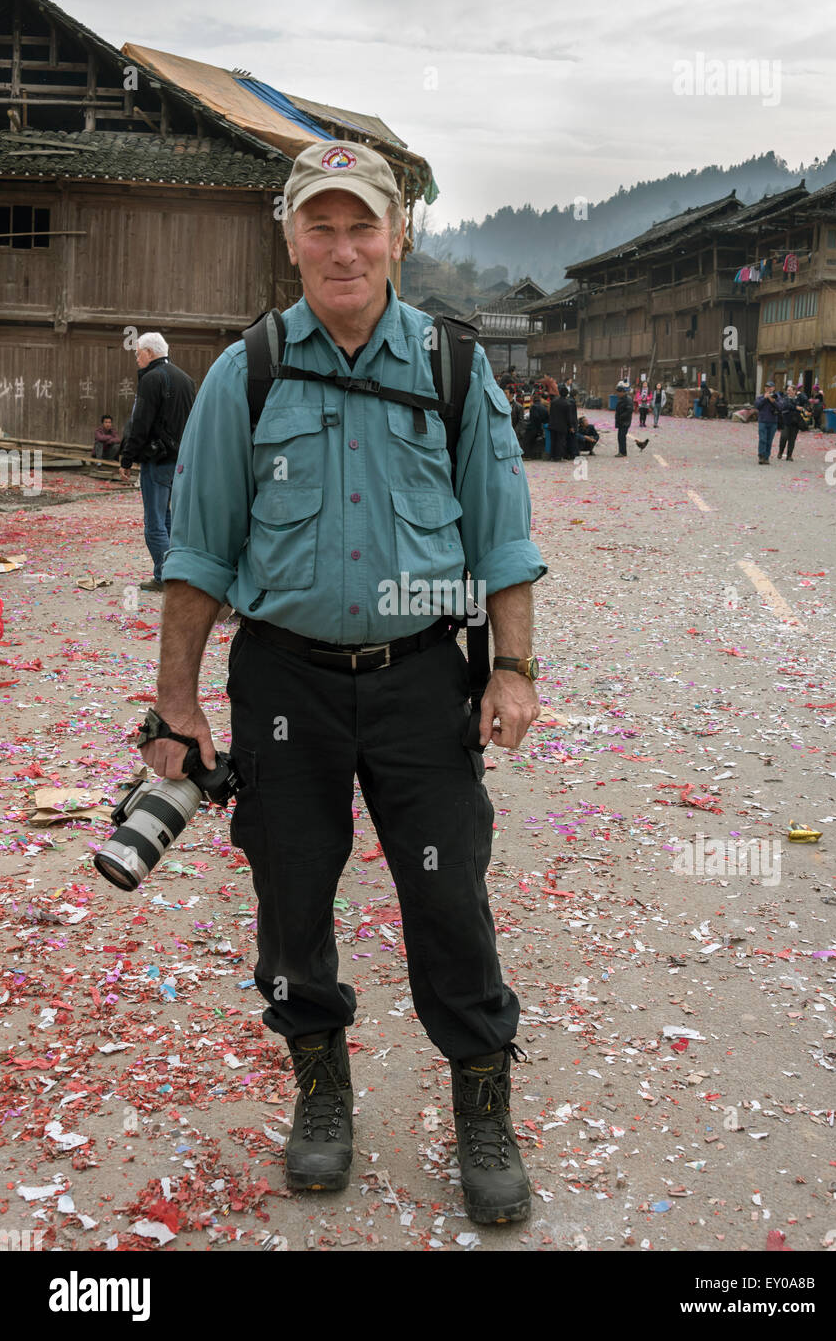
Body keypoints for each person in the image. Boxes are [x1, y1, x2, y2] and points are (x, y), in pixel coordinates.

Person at [144, 139, 548, 1226]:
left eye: (360, 224)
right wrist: (175, 702)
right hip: (283, 677)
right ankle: (319, 1088)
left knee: (447, 893)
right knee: (289, 893)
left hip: (421, 680)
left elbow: (502, 539)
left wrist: (509, 666)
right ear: (290, 240)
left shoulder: (453, 368)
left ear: (399, 236)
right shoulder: (247, 370)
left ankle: (480, 1104)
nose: (341, 247)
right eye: (319, 226)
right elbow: (199, 555)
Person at [119, 334, 196, 591]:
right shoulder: (186, 379)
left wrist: (127, 458)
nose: (136, 358)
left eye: (138, 353)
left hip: (157, 461)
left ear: (150, 353)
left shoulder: (151, 379)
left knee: (154, 522)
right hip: (181, 461)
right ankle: (177, 572)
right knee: (170, 519)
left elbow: (140, 423)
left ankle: (165, 577)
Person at [755, 380, 780, 463]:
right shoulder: (760, 397)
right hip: (763, 421)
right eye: (766, 387)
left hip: (773, 421)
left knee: (769, 440)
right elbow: (757, 406)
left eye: (770, 387)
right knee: (762, 439)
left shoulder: (777, 397)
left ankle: (766, 457)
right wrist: (765, 399)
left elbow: (781, 407)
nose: (768, 389)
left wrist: (773, 401)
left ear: (773, 388)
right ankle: (761, 456)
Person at [548, 383, 572, 461]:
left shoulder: (553, 401)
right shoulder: (567, 404)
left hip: (552, 424)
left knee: (553, 441)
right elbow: (568, 417)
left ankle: (552, 456)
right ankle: (558, 457)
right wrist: (570, 426)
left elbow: (550, 412)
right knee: (560, 441)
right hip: (562, 426)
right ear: (567, 394)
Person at [777, 383, 801, 460]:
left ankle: (789, 455)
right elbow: (785, 405)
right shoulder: (785, 398)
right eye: (787, 390)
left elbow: (805, 401)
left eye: (790, 390)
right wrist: (796, 407)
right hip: (786, 421)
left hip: (795, 422)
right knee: (784, 437)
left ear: (795, 391)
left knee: (792, 439)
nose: (788, 392)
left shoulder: (799, 399)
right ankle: (780, 452)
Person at [614, 381, 633, 455]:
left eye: (618, 392)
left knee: (622, 437)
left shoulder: (628, 399)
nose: (617, 394)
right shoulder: (621, 398)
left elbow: (629, 410)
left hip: (625, 422)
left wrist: (621, 416)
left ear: (622, 392)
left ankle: (622, 452)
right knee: (620, 437)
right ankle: (621, 451)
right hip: (621, 421)